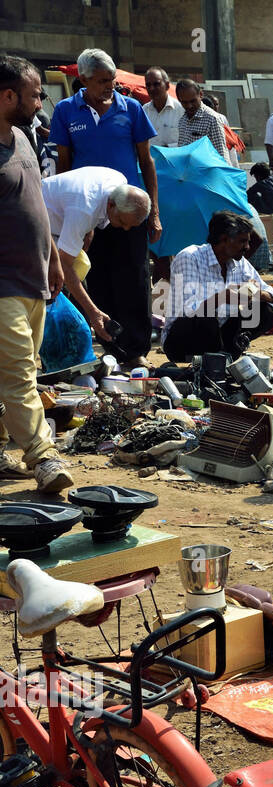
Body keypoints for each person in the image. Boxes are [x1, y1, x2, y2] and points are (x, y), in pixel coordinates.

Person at [49, 48, 160, 367]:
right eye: (101, 81)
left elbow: (146, 162)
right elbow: (64, 164)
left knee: (135, 278)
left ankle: (136, 349)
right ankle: (112, 346)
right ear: (83, 80)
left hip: (129, 208)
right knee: (100, 278)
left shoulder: (132, 109)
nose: (109, 86)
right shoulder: (67, 111)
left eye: (111, 80)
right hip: (88, 213)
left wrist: (153, 213)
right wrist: (72, 217)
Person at [0, 55, 74, 493]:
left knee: (9, 372)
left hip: (33, 279)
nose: (41, 102)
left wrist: (52, 257)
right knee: (21, 372)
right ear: (7, 96)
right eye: (34, 94)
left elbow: (37, 204)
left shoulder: (24, 137)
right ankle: (42, 456)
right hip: (3, 283)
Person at [41, 168, 150, 342]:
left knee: (74, 289)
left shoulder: (119, 180)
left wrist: (87, 235)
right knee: (51, 291)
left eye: (130, 226)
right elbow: (63, 264)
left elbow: (89, 224)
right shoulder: (84, 210)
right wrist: (94, 313)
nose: (125, 228)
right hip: (30, 222)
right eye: (122, 221)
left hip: (58, 224)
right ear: (111, 205)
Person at [162, 211, 273, 362]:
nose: (247, 247)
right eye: (242, 241)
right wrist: (222, 297)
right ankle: (214, 359)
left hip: (220, 334)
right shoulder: (190, 257)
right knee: (206, 316)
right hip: (182, 340)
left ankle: (227, 354)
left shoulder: (239, 262)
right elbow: (188, 310)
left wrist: (256, 293)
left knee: (266, 311)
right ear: (224, 239)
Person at [175, 78, 228, 162]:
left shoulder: (212, 119)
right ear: (179, 99)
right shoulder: (182, 120)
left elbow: (222, 155)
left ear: (200, 94)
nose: (189, 106)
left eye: (193, 101)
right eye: (185, 102)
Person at [142, 68, 181, 148]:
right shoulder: (144, 111)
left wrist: (167, 148)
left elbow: (188, 141)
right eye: (148, 85)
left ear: (167, 85)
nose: (151, 88)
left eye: (156, 84)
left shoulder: (181, 110)